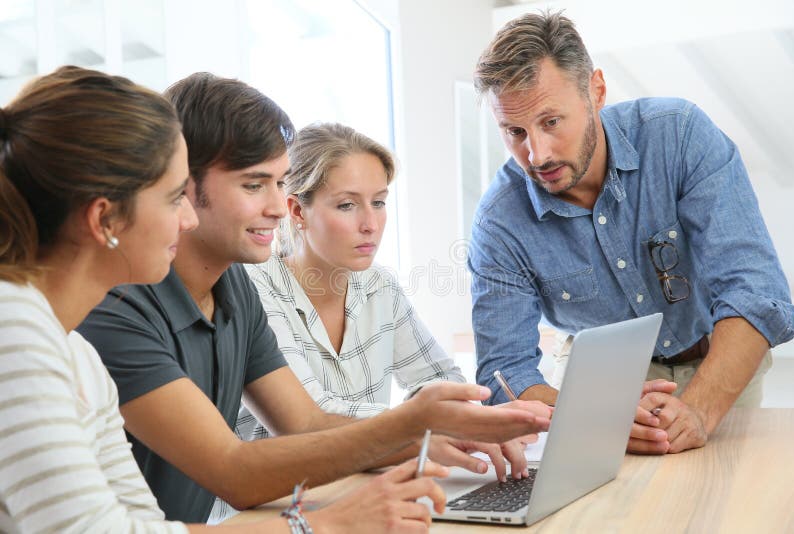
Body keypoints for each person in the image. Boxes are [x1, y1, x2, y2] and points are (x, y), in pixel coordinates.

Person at [77, 72, 552, 524]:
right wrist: (413, 426)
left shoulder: (234, 287)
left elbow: (303, 423)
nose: (274, 207)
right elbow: (235, 474)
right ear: (183, 184)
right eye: (253, 184)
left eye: (279, 183)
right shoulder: (119, 306)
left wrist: (434, 430)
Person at [0, 66, 451, 534]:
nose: (187, 219)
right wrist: (321, 525)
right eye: (174, 198)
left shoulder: (74, 353)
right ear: (105, 220)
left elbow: (140, 523)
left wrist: (421, 436)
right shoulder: (19, 329)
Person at [468, 11, 794, 455]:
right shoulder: (498, 222)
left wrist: (700, 408)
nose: (537, 153)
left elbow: (755, 292)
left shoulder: (679, 135)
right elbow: (504, 373)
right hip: (595, 386)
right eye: (515, 132)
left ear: (596, 91)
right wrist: (594, 420)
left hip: (721, 363)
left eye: (551, 122)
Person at [239, 122, 465, 424]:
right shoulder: (255, 289)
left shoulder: (379, 286)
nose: (370, 224)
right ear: (296, 211)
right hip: (288, 471)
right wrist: (420, 418)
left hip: (374, 469)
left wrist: (445, 410)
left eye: (379, 202)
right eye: (347, 205)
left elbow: (445, 379)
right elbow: (314, 414)